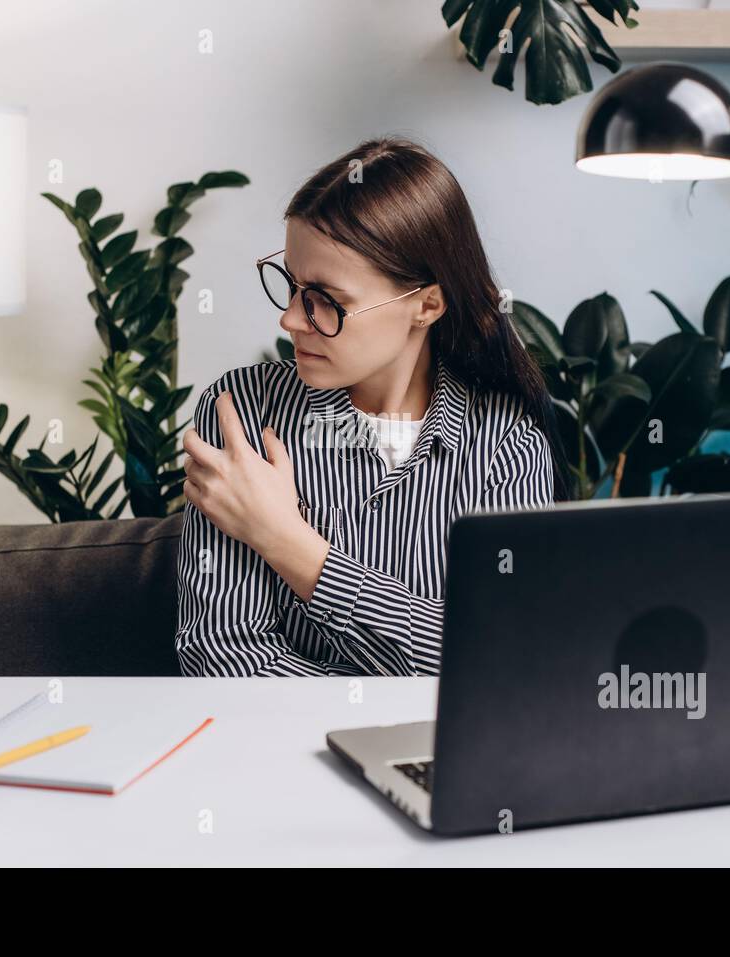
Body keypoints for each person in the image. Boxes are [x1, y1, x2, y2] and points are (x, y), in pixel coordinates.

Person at [176, 136, 567, 676]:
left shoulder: (505, 446)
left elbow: (501, 663)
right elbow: (222, 653)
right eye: (290, 285)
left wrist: (285, 541)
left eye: (326, 299)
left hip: (427, 757)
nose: (290, 319)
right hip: (274, 755)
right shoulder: (241, 414)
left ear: (426, 305)